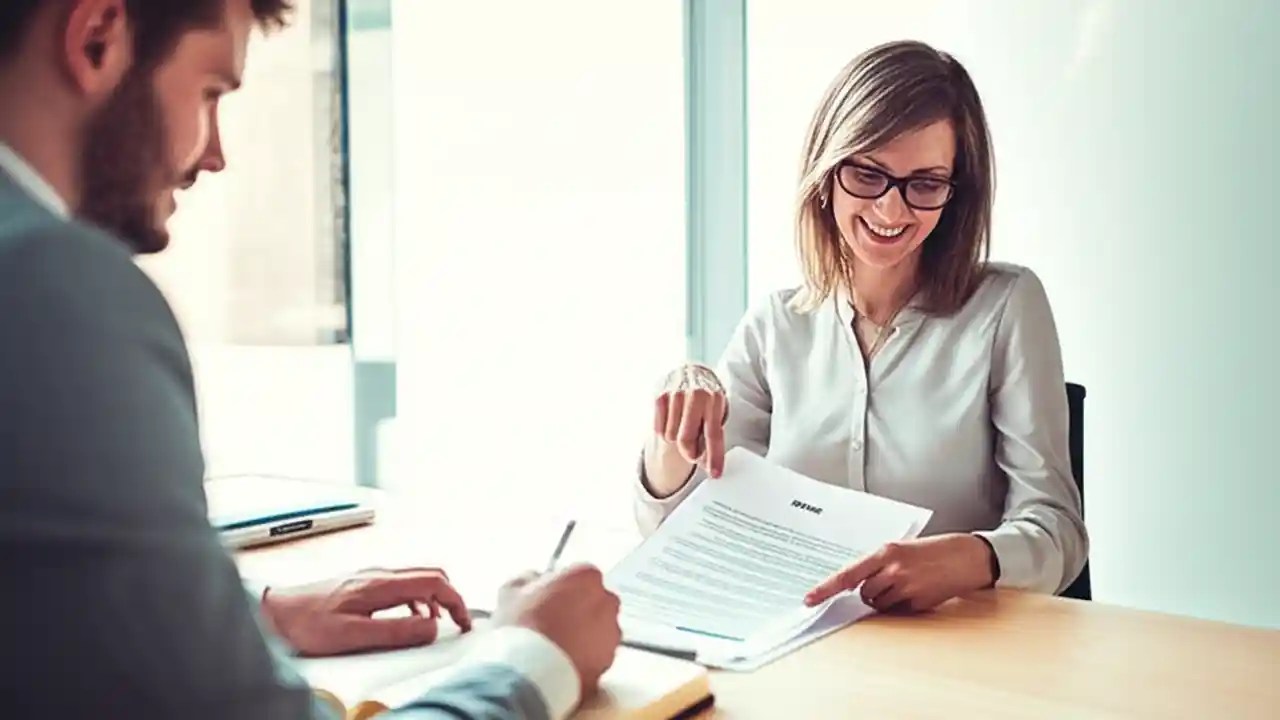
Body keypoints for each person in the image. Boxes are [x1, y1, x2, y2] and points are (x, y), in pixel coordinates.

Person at [0, 1, 619, 718]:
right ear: (98, 36)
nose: (213, 153)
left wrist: (246, 623)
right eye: (210, 92)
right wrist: (533, 654)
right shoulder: (52, 292)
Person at [635, 39, 1088, 614]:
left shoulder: (1006, 308)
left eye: (925, 183)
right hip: (797, 645)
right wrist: (673, 420)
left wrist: (972, 557)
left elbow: (1059, 532)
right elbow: (680, 530)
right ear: (826, 173)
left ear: (956, 192)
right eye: (869, 175)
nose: (892, 211)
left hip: (958, 655)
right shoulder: (776, 324)